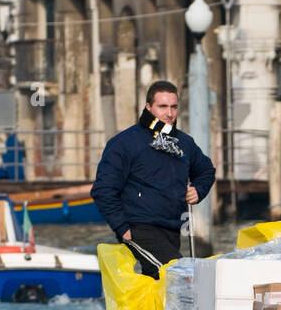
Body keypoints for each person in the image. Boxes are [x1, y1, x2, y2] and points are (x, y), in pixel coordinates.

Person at [91, 81, 216, 278]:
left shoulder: (184, 142)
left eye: (174, 107)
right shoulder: (124, 143)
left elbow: (206, 170)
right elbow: (103, 189)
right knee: (180, 276)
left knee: (162, 288)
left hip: (173, 228)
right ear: (149, 107)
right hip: (139, 229)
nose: (169, 113)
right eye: (163, 107)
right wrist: (122, 228)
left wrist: (199, 190)